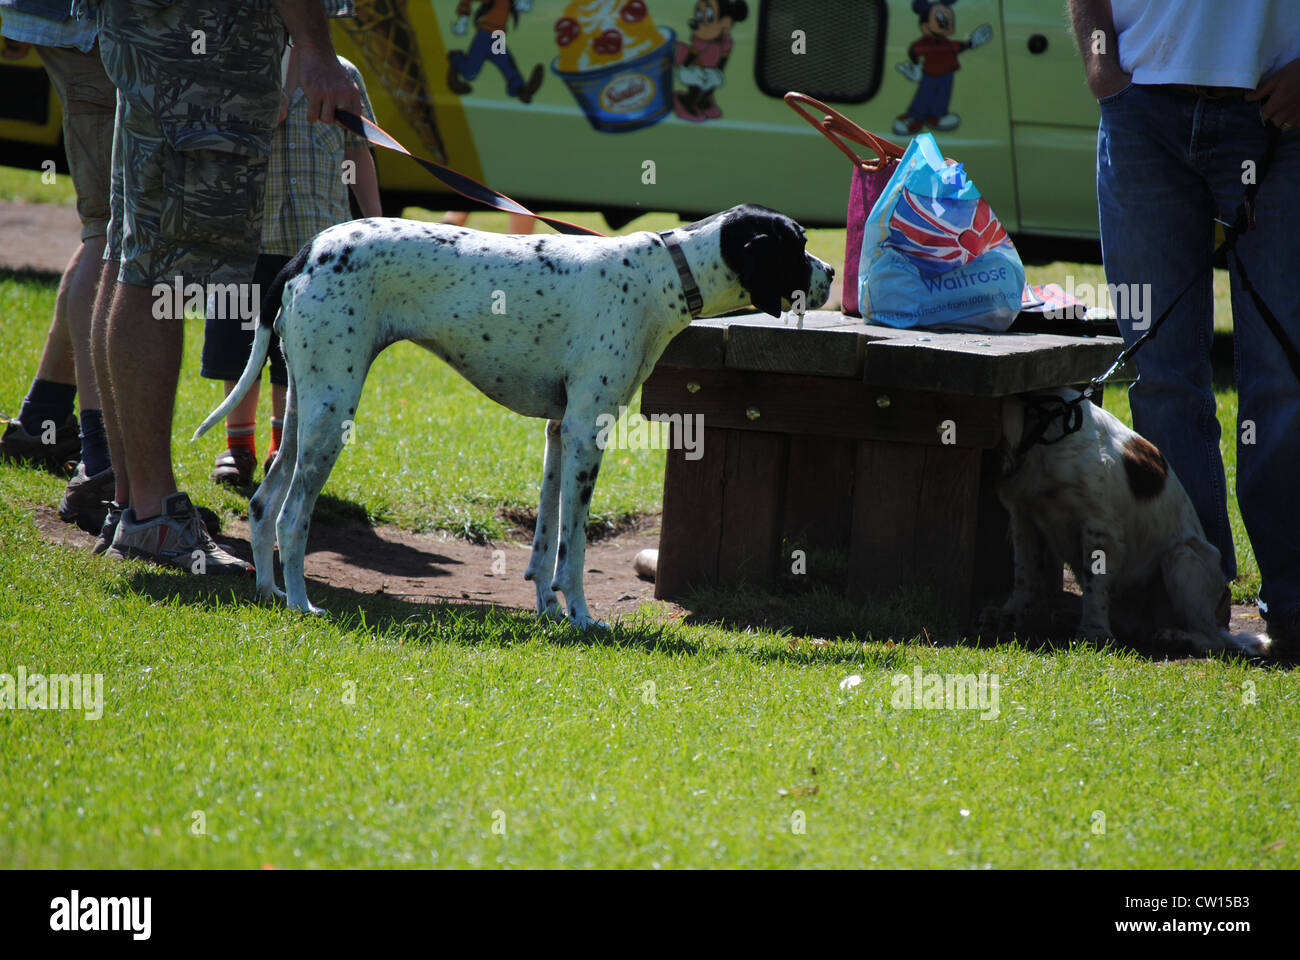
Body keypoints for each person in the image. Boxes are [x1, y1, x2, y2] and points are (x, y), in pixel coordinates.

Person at [91, 0, 361, 572]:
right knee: (159, 268)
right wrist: (312, 47)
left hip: (163, 33)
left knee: (132, 250)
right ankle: (151, 515)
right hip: (208, 39)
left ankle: (132, 501)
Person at [1068, 0, 1300, 654]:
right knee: (1161, 376)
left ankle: (1292, 603)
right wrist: (1102, 67)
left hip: (1280, 105)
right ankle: (1191, 608)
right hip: (1141, 111)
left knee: (1282, 377)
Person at [200, 40, 381, 487]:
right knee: (237, 344)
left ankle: (283, 446)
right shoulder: (241, 63)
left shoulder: (342, 75)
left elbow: (357, 152)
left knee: (297, 352)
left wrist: (376, 225)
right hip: (246, 236)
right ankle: (237, 447)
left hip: (314, 242)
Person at [0, 0, 116, 537]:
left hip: (68, 24)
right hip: (104, 31)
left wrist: (17, 12)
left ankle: (44, 419)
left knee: (105, 228)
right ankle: (103, 466)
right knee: (117, 233)